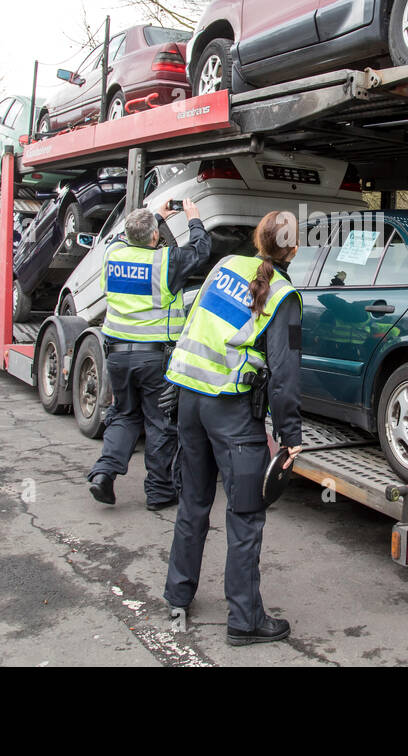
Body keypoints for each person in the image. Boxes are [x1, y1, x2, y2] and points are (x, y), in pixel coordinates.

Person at [162, 210, 304, 646]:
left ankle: (177, 596)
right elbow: (284, 375)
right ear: (293, 250)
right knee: (245, 515)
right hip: (232, 411)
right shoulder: (284, 295)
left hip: (190, 398)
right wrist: (290, 437)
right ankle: (244, 620)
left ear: (257, 239)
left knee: (193, 502)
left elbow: (193, 320)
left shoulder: (224, 266)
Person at [86, 198, 211, 509]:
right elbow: (201, 251)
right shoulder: (165, 261)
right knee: (159, 422)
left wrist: (155, 215)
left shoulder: (112, 254)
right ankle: (158, 493)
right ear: (155, 237)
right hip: (154, 358)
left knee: (124, 416)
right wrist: (193, 218)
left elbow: (122, 236)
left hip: (116, 356)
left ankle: (104, 474)